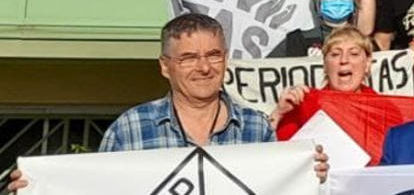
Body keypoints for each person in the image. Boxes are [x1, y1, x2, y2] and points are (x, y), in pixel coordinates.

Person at [5, 15, 331, 191]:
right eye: (189, 58)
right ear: (165, 66)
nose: (204, 67)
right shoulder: (130, 128)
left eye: (213, 55)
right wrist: (43, 185)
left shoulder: (256, 127)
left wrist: (305, 173)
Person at [270, 27, 378, 126]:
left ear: (367, 63)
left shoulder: (381, 110)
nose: (344, 60)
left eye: (354, 54)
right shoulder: (304, 108)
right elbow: (267, 145)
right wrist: (278, 113)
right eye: (335, 54)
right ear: (325, 64)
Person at [269, 0, 376, 57]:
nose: (338, 0)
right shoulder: (296, 41)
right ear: (318, 2)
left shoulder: (365, 42)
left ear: (354, 1)